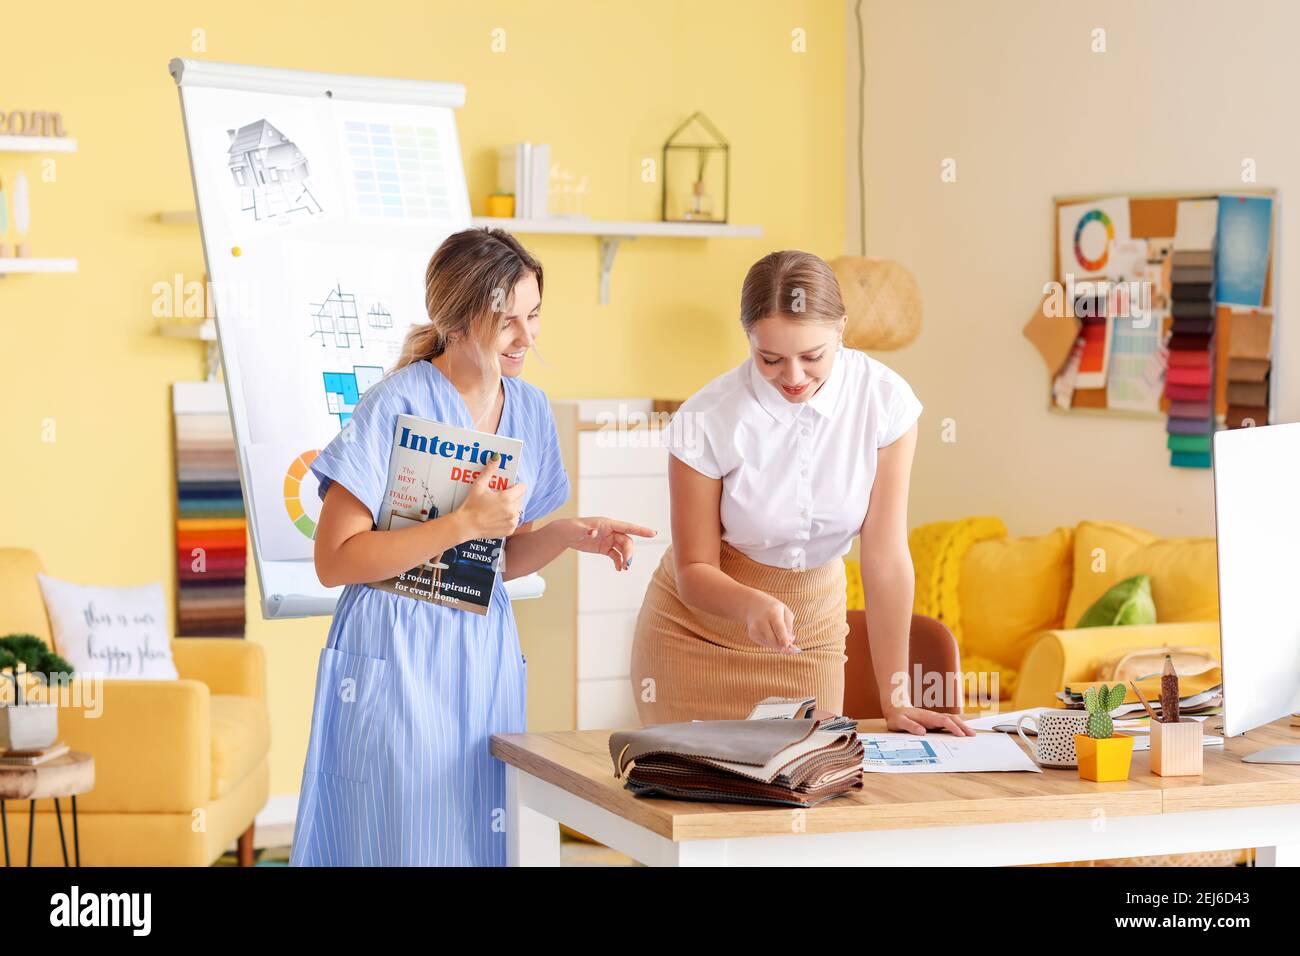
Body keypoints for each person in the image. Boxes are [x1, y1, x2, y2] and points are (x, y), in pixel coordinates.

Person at [291, 228, 655, 866]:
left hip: (480, 645)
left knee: (476, 830)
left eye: (534, 315)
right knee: (395, 833)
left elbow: (500, 560)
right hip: (393, 642)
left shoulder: (531, 412)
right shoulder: (394, 405)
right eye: (505, 320)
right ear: (455, 322)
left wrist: (569, 536)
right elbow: (334, 560)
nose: (527, 336)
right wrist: (462, 523)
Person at [630, 250, 972, 736]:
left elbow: (885, 558)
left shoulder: (885, 402)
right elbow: (693, 571)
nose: (792, 377)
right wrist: (751, 604)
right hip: (696, 636)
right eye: (769, 359)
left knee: (810, 785)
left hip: (808, 636)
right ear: (749, 339)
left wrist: (895, 700)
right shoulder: (706, 417)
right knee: (701, 798)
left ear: (841, 331)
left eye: (812, 357)